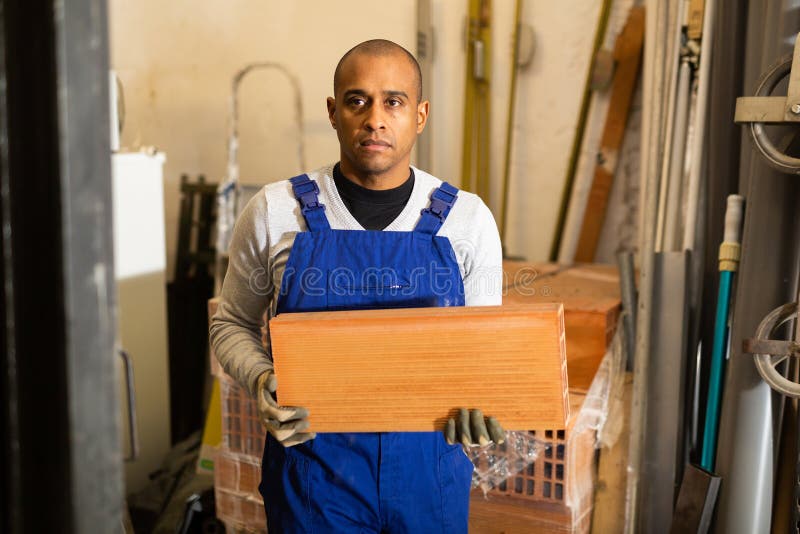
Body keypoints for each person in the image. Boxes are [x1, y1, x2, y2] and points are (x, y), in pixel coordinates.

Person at [210, 39, 504, 533]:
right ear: (333, 112)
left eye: (394, 101)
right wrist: (263, 380)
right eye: (357, 100)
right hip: (312, 478)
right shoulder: (275, 210)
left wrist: (482, 405)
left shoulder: (467, 220)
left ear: (421, 114)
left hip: (429, 480)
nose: (375, 119)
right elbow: (232, 323)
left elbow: (485, 353)